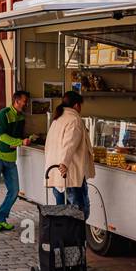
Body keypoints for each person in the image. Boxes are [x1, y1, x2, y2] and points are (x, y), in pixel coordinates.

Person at [44, 90, 93, 219]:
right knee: (80, 212)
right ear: (77, 105)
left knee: (62, 213)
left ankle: (64, 238)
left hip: (56, 174)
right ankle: (76, 239)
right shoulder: (74, 119)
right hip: (69, 174)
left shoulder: (58, 118)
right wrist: (64, 163)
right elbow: (69, 144)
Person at [0, 89, 31, 232]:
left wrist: (27, 139)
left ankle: (1, 218)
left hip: (11, 158)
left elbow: (17, 137)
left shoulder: (21, 117)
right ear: (16, 101)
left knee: (14, 190)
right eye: (25, 101)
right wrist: (20, 142)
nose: (26, 104)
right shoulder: (3, 114)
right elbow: (1, 136)